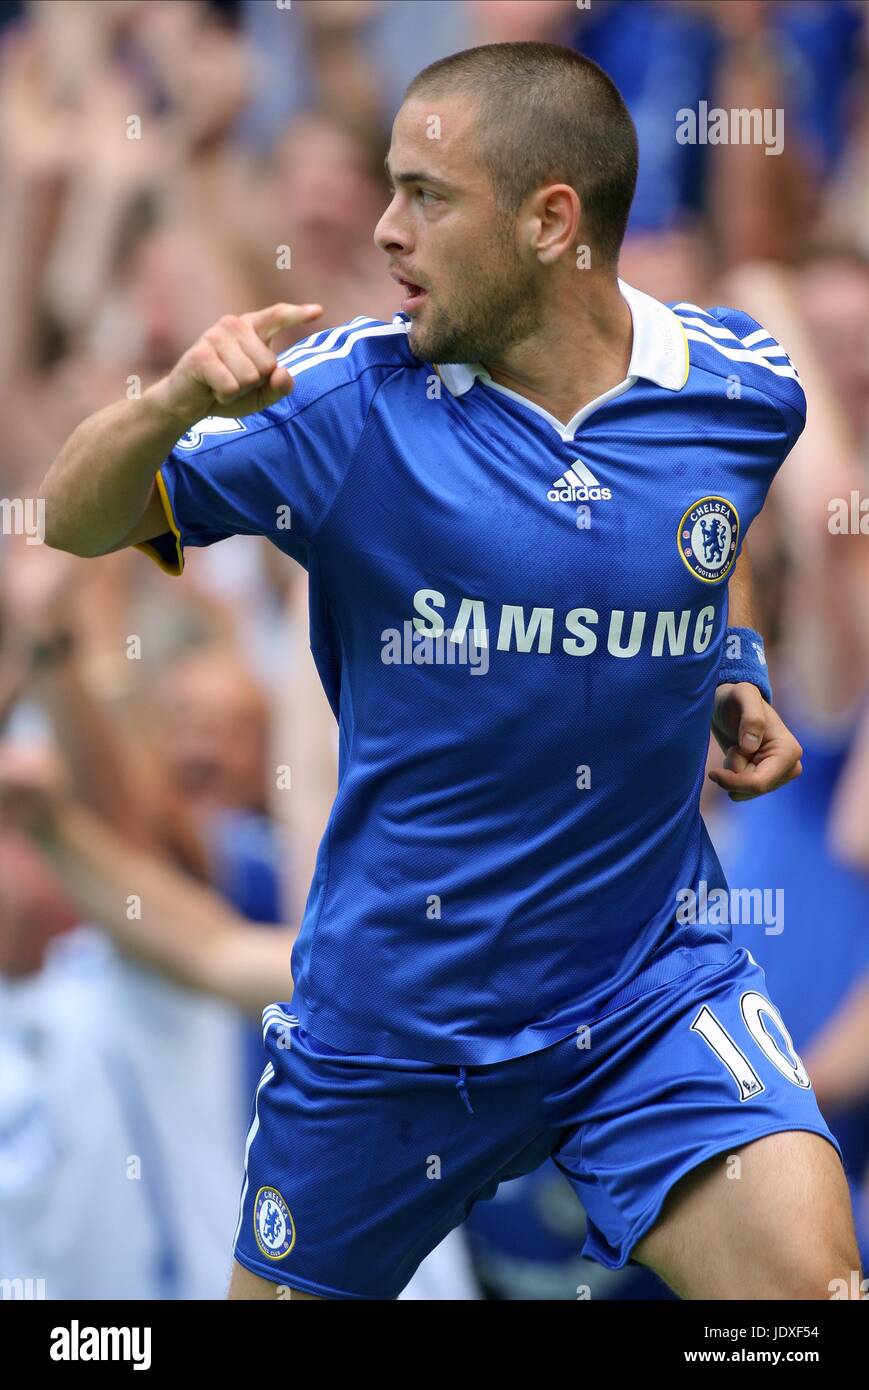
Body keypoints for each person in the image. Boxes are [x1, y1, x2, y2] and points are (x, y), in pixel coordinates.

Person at [39, 42, 860, 1301]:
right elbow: (75, 516)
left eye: (426, 195)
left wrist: (726, 666)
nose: (383, 230)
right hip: (390, 1036)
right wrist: (169, 403)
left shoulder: (741, 391)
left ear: (548, 221)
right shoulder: (342, 408)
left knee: (806, 1297)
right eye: (387, 187)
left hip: (643, 997)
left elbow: (705, 546)